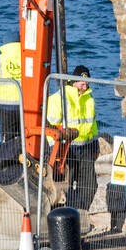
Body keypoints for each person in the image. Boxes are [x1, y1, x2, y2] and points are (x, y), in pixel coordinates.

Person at [46, 65, 99, 209]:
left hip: (85, 147)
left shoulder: (89, 97)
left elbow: (92, 123)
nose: (85, 85)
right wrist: (54, 148)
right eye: (82, 83)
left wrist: (95, 143)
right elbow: (51, 126)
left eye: (87, 82)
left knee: (90, 185)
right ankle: (66, 212)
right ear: (73, 82)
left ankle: (83, 211)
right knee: (66, 184)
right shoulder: (59, 98)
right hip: (66, 148)